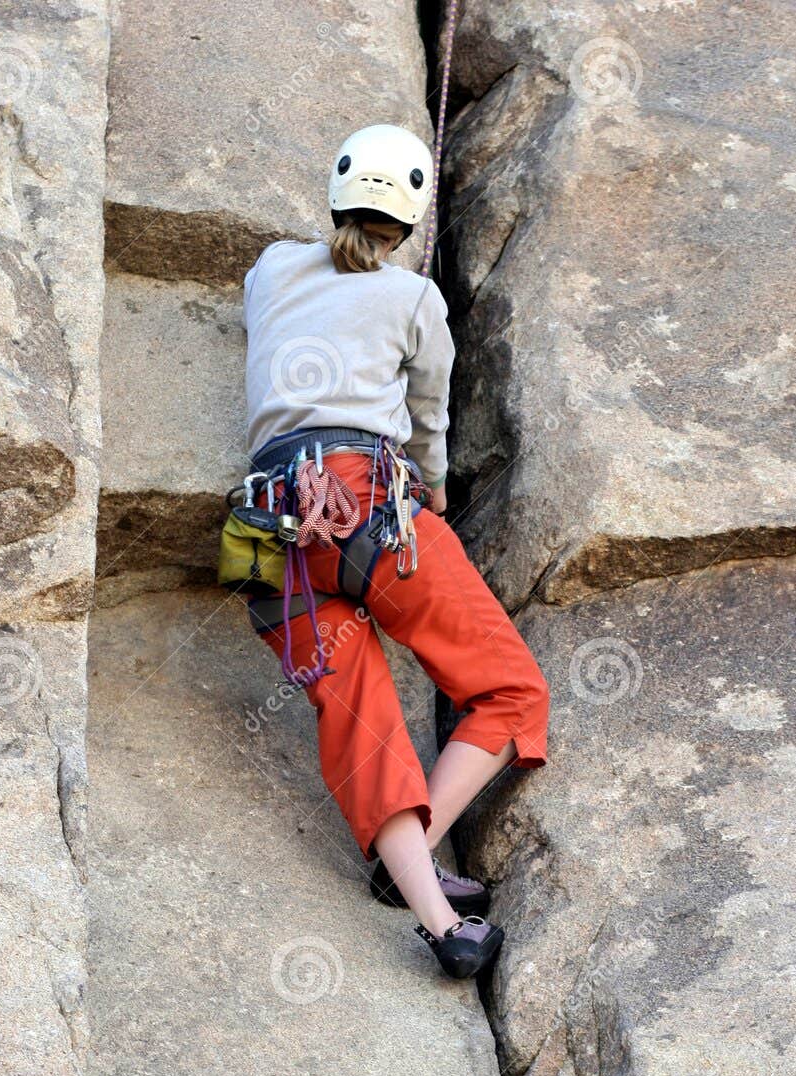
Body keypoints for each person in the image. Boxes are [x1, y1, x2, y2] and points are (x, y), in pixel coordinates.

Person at [241, 124, 549, 980]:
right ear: (411, 221)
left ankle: (439, 915)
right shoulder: (416, 299)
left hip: (272, 539)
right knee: (509, 691)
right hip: (371, 510)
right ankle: (413, 868)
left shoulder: (269, 268)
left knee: (363, 723)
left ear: (336, 193)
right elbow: (429, 422)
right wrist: (438, 493)